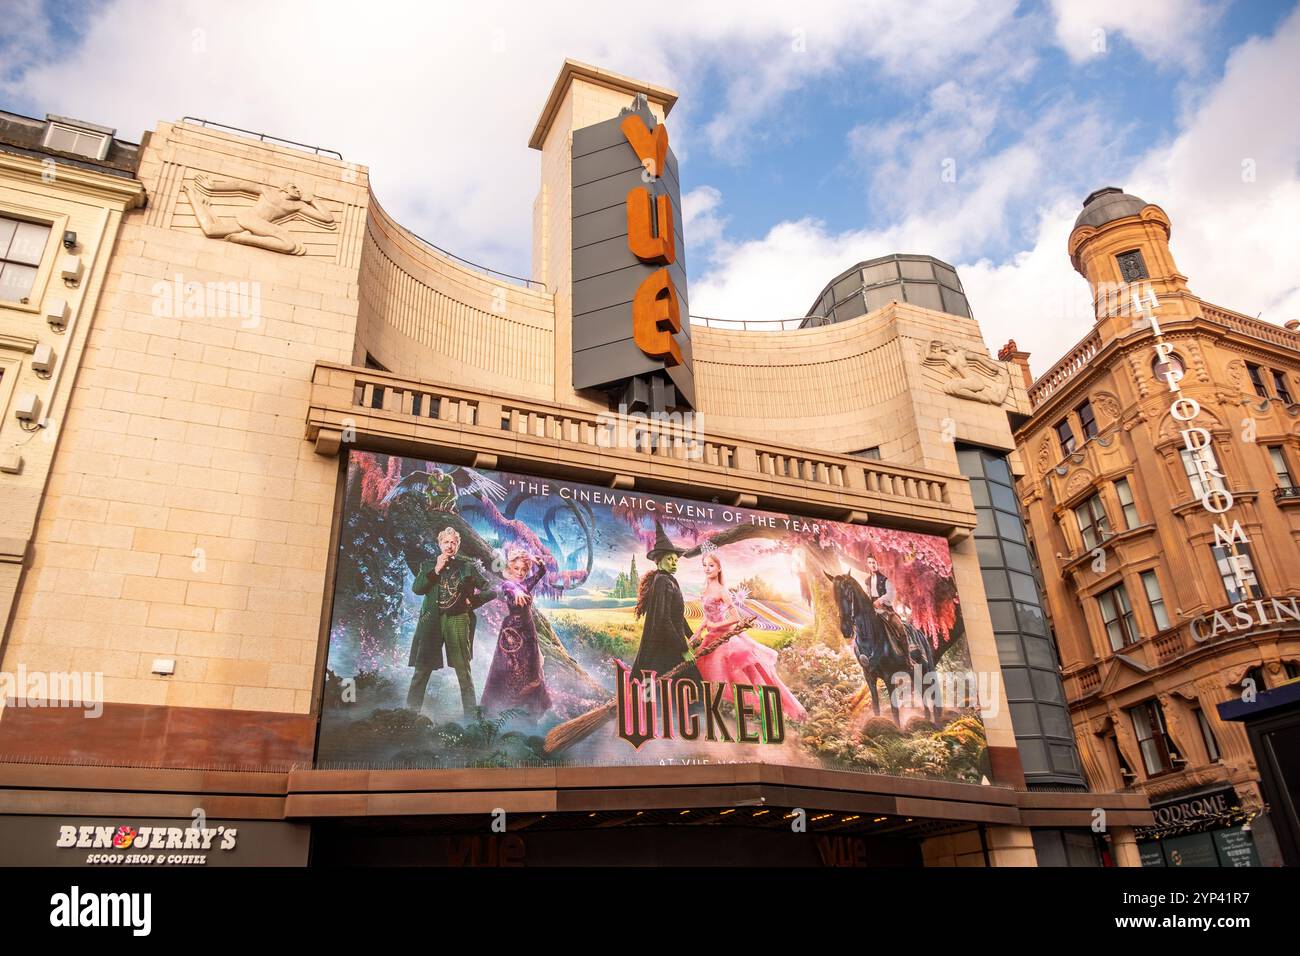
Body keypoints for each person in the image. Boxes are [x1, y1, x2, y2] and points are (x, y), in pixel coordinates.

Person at [690, 550, 806, 722]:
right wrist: (700, 630)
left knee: (738, 674)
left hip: (725, 637)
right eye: (705, 565)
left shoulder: (722, 591)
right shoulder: (706, 589)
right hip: (711, 637)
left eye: (711, 565)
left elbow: (735, 618)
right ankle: (722, 710)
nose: (707, 568)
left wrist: (715, 626)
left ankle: (762, 708)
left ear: (719, 568)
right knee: (711, 671)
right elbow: (708, 616)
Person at [406, 527, 496, 716]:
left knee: (463, 670)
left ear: (457, 546)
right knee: (421, 669)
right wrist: (436, 569)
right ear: (440, 544)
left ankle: (470, 717)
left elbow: (490, 589)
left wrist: (473, 601)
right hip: (431, 622)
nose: (449, 545)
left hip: (458, 619)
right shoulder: (428, 565)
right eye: (446, 542)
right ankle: (410, 714)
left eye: (453, 542)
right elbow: (418, 589)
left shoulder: (467, 566)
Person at [481, 546, 552, 716]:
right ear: (510, 568)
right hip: (512, 633)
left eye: (523, 570)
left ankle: (528, 709)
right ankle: (503, 708)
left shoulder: (526, 583)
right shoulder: (508, 584)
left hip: (528, 631)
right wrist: (516, 590)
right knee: (511, 668)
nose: (520, 573)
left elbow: (541, 573)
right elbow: (507, 588)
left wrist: (536, 562)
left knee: (531, 669)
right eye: (516, 568)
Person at [629, 520, 701, 684]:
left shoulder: (669, 580)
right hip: (666, 646)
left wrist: (691, 636)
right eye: (669, 559)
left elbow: (677, 617)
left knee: (678, 684)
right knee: (688, 683)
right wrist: (683, 649)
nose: (674, 563)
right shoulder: (662, 581)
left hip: (672, 644)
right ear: (659, 561)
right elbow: (664, 619)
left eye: (675, 560)